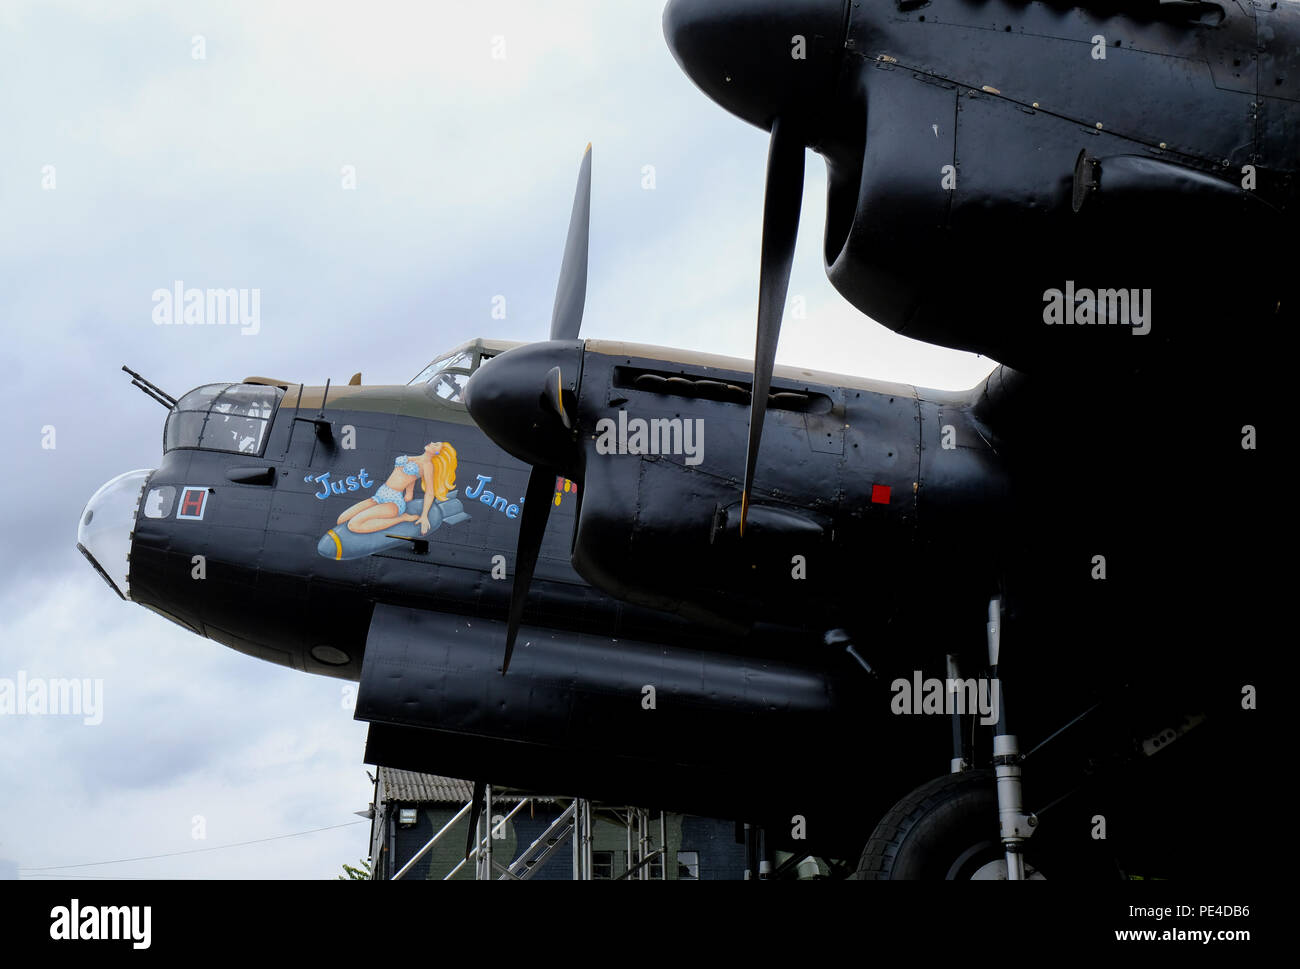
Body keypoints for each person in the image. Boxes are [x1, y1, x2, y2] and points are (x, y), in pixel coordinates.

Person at [335, 442, 457, 535]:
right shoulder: (414, 458)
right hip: (380, 494)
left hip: (393, 502)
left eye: (436, 445)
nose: (432, 443)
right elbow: (411, 477)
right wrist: (409, 493)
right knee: (341, 520)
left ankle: (402, 518)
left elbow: (430, 492)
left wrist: (424, 515)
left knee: (353, 525)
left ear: (437, 453)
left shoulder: (427, 466)